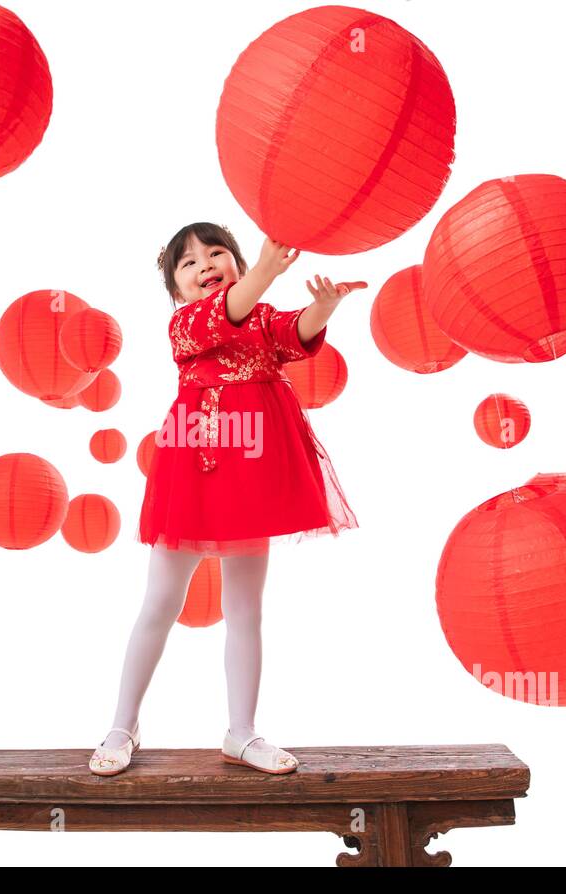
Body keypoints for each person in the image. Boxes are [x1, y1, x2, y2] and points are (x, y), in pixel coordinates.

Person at [89, 222, 362, 776]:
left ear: (235, 264)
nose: (204, 264)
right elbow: (232, 309)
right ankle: (123, 724)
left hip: (252, 472)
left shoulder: (258, 316)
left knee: (246, 608)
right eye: (188, 264)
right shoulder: (187, 323)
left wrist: (325, 307)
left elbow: (294, 333)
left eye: (217, 253)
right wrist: (265, 268)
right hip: (196, 462)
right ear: (175, 290)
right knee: (161, 602)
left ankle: (242, 732)